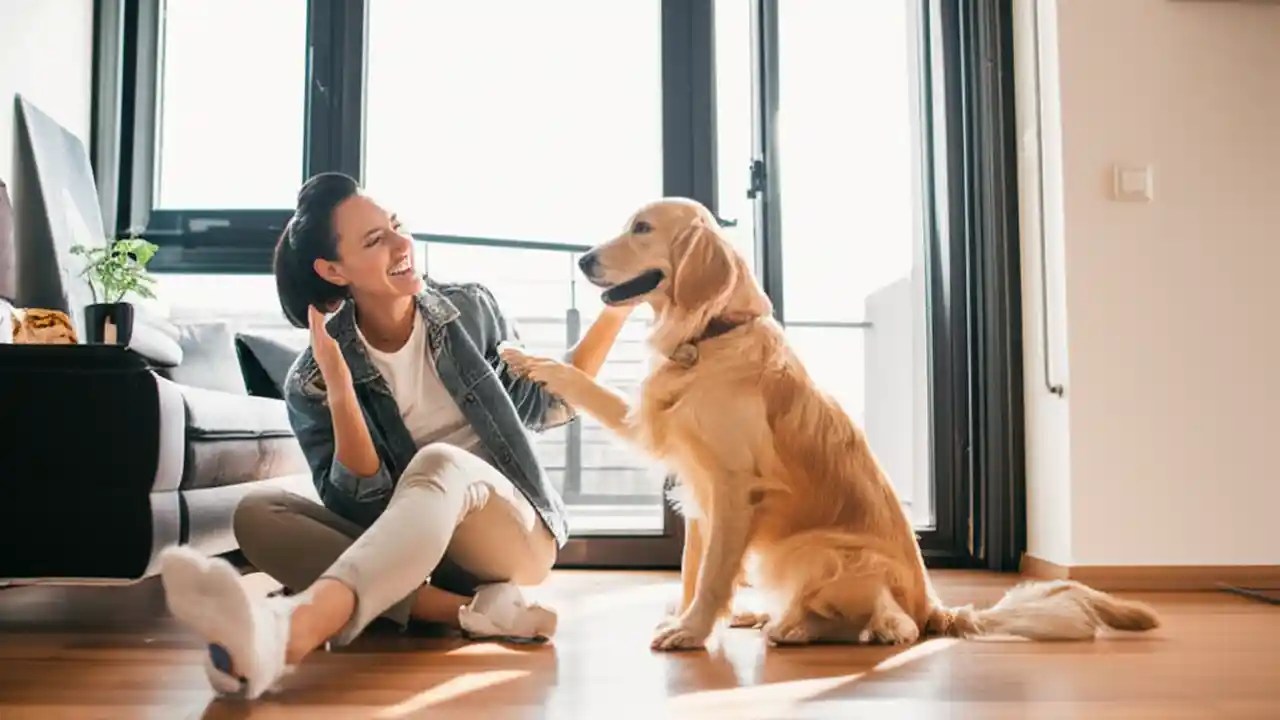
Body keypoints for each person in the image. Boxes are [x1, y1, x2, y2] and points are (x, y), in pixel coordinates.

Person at [157, 172, 632, 699]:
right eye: (375, 240)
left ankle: (292, 627)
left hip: (508, 536)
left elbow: (546, 403)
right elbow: (360, 505)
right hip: (415, 548)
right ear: (334, 270)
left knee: (438, 462)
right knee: (255, 514)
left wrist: (618, 306)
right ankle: (477, 613)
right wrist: (340, 389)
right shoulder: (312, 379)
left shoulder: (470, 310)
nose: (403, 245)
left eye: (396, 226)